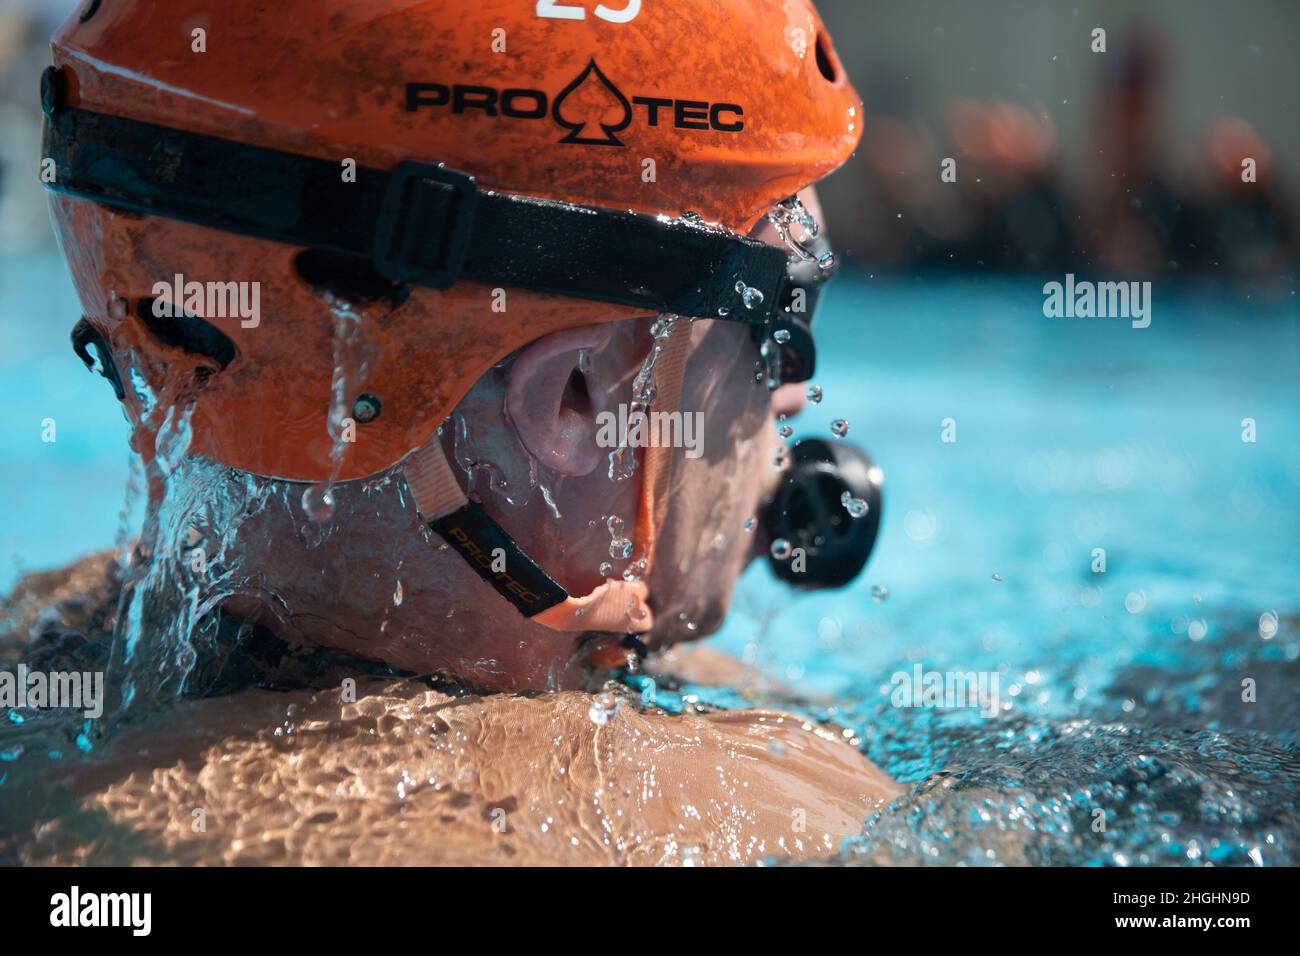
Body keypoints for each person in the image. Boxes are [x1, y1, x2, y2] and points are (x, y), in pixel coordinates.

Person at [7, 0, 899, 864]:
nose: (793, 394)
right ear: (578, 399)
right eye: (784, 319)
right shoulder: (746, 813)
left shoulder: (47, 644)